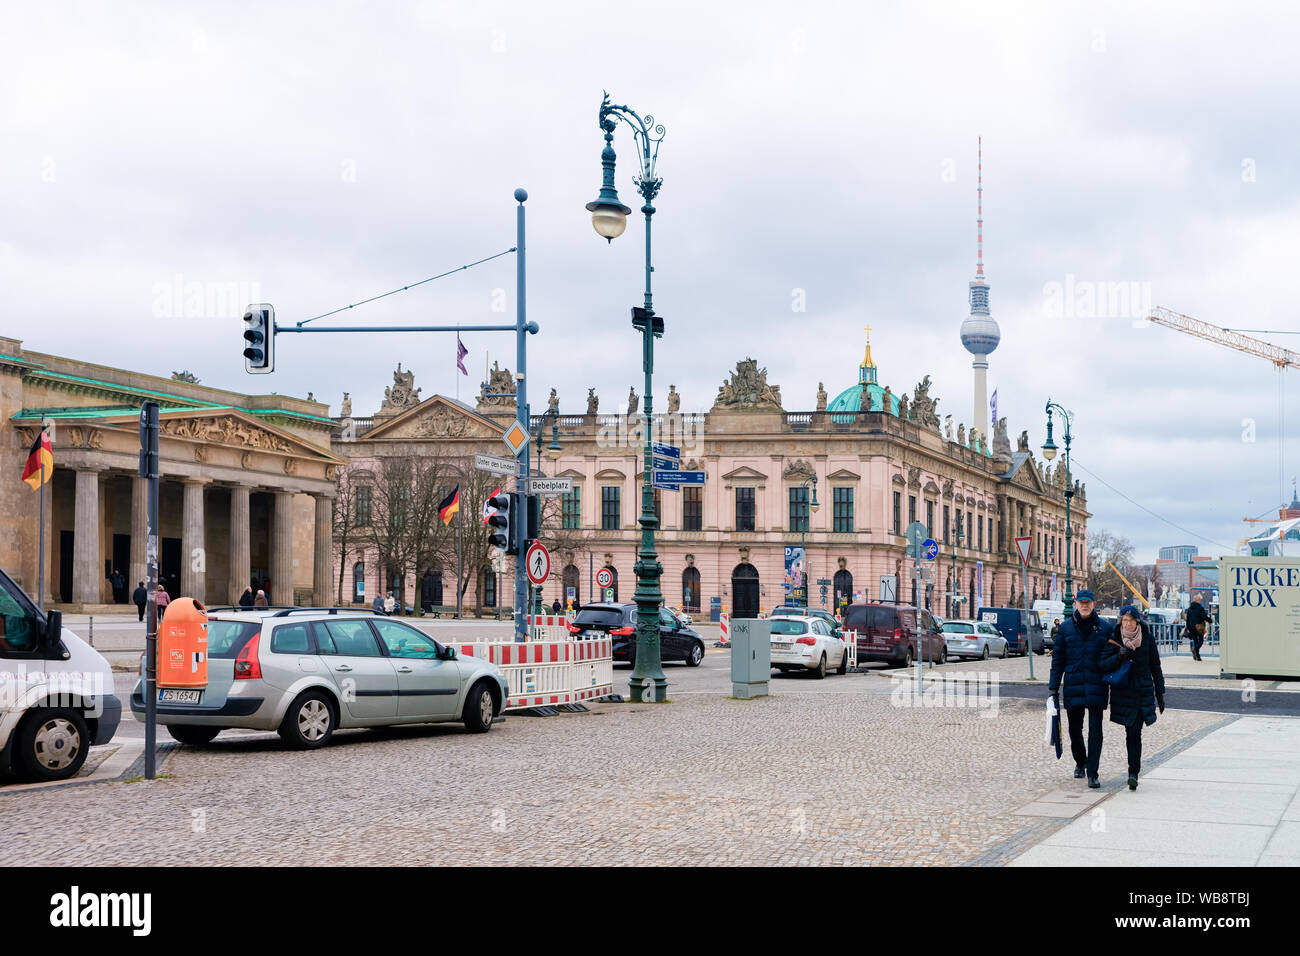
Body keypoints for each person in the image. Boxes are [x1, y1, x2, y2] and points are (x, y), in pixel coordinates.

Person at [1048, 588, 1111, 789]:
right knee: (1075, 730)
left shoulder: (1104, 628)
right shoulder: (1065, 628)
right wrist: (1053, 688)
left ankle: (1093, 772)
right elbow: (1057, 660)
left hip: (1097, 685)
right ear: (1076, 603)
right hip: (1074, 684)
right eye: (1081, 602)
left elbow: (1111, 656)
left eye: (1088, 602)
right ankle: (1080, 761)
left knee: (1095, 731)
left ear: (1093, 604)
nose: (1084, 605)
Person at [1101, 605, 1166, 790]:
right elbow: (1103, 664)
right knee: (1129, 732)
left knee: (1135, 733)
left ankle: (1133, 773)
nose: (1127, 624)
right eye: (1124, 620)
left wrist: (1160, 693)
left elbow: (1156, 666)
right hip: (1123, 692)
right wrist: (1119, 657)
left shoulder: (1147, 638)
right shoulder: (1115, 638)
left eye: (1130, 620)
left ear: (1137, 621)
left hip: (1142, 691)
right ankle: (1133, 771)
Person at [1185, 592, 1210, 661]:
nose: (1201, 601)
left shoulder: (1190, 608)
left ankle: (1197, 656)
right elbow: (1204, 616)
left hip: (1191, 627)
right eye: (1200, 600)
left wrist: (1188, 627)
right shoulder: (1200, 608)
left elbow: (1188, 619)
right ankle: (1195, 649)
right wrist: (1210, 621)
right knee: (1201, 641)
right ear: (1198, 600)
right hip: (1199, 627)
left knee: (1195, 641)